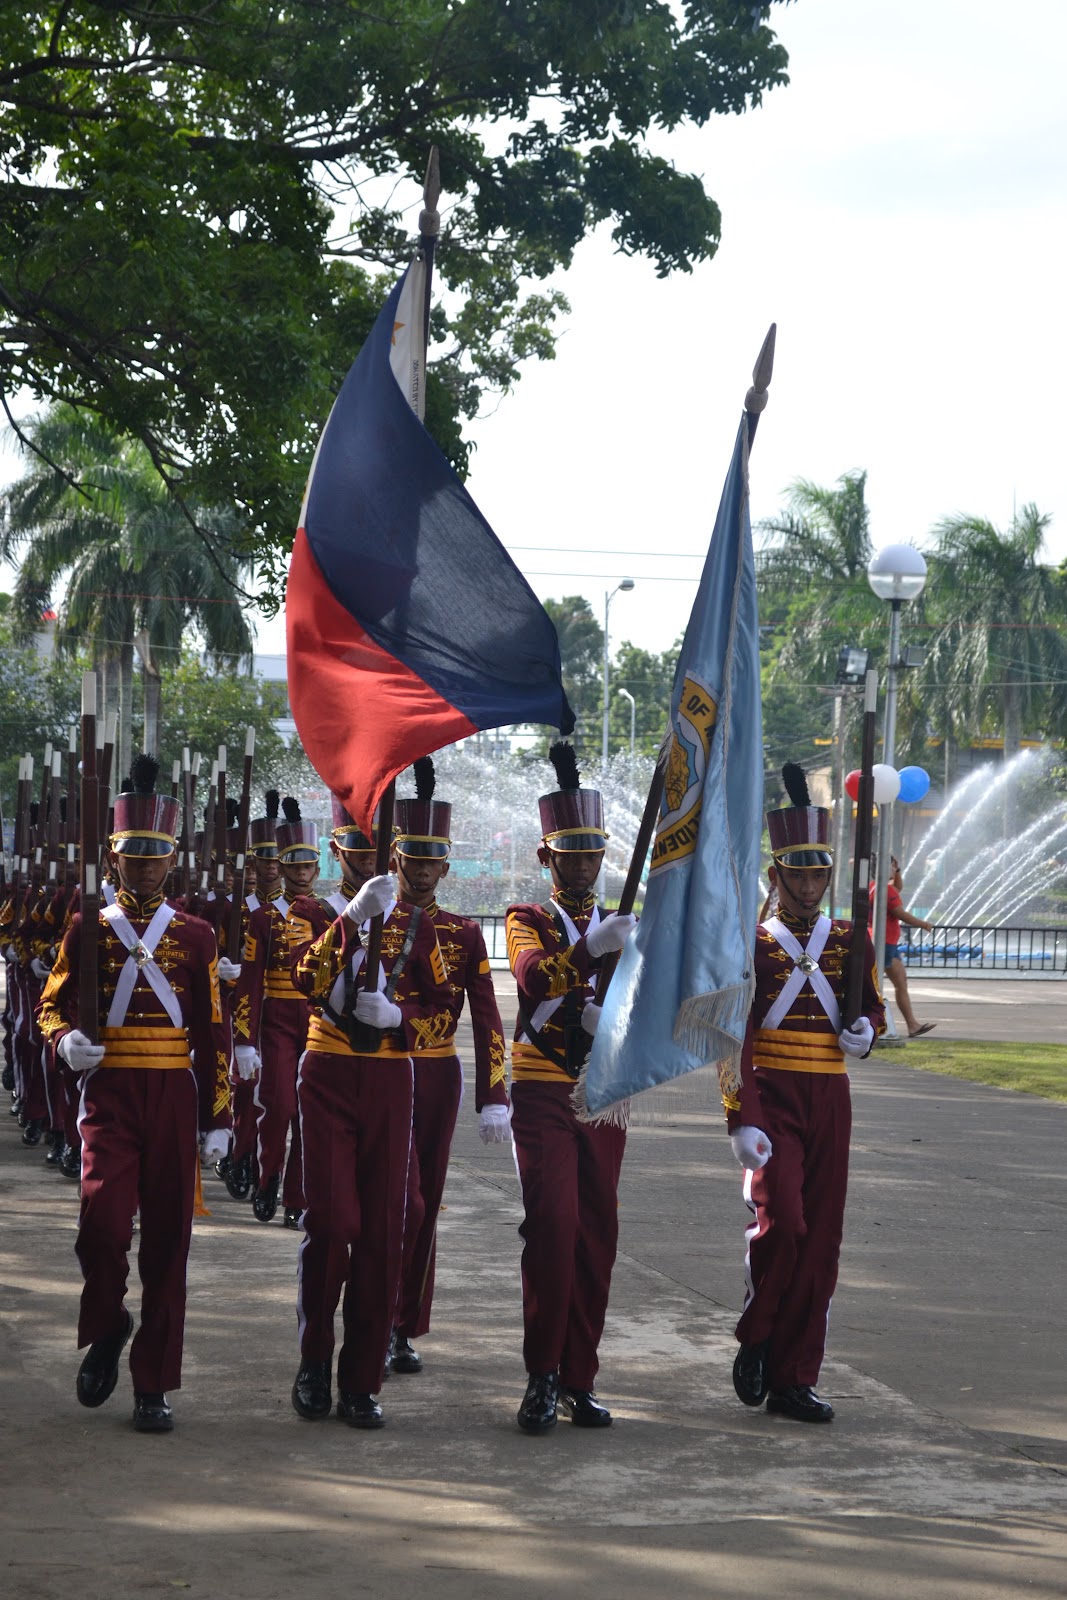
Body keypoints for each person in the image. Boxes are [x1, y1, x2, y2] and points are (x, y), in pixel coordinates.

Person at [37, 755, 231, 1432]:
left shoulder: (198, 934)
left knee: (168, 1244)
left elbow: (213, 1031)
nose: (143, 868)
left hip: (173, 1095)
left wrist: (219, 1117)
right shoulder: (87, 926)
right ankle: (109, 1322)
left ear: (171, 860)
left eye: (154, 859)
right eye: (131, 857)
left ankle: (153, 1382)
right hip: (111, 1092)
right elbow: (49, 1005)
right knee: (101, 1226)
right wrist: (64, 1041)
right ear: (113, 858)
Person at [727, 763, 885, 1424]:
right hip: (773, 1097)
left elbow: (871, 1012)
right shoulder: (753, 945)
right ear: (776, 876)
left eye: (819, 873)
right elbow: (732, 1037)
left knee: (821, 1243)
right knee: (783, 1227)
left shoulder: (850, 940)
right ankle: (758, 1331)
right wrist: (738, 1114)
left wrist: (865, 1032)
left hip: (830, 1099)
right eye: (797, 873)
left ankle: (794, 1377)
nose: (810, 884)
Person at [286, 796, 449, 1429]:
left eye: (377, 847)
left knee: (387, 1227)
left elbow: (442, 1005)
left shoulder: (419, 922)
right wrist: (353, 918)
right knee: (331, 1222)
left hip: (389, 1076)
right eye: (356, 847)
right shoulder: (310, 912)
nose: (367, 858)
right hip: (326, 1072)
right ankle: (312, 1359)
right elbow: (304, 976)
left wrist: (401, 1019)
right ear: (339, 851)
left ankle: (361, 1378)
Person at [505, 742, 636, 1435]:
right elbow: (531, 980)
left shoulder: (625, 924)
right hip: (540, 1087)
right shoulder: (525, 916)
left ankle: (578, 1377)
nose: (583, 866)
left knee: (596, 1234)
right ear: (546, 857)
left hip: (605, 1091)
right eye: (570, 854)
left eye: (592, 855)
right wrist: (592, 951)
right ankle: (540, 1373)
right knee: (551, 1227)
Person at [389, 758, 511, 1375]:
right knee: (395, 1200)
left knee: (425, 1203)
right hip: (379, 1073)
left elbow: (488, 1017)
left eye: (432, 862)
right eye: (412, 860)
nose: (422, 871)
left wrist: (496, 1094)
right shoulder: (369, 924)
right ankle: (375, 1313)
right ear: (396, 861)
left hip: (436, 1076)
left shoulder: (463, 934)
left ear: (446, 866)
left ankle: (403, 1324)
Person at [232, 796, 322, 1225]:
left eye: (308, 868)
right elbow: (249, 980)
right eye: (294, 867)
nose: (301, 875)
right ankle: (268, 1176)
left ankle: (298, 1196)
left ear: (317, 870)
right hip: (277, 1021)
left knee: (310, 1111)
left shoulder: (329, 915)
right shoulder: (263, 918)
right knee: (279, 1105)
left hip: (317, 1020)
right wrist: (244, 1040)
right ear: (281, 869)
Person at [872, 854, 936, 1038]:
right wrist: (924, 924)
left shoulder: (875, 887)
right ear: (884, 869)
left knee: (901, 983)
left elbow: (897, 887)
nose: (894, 870)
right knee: (873, 985)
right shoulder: (886, 891)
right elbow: (900, 913)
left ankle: (912, 1025)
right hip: (884, 943)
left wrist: (898, 871)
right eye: (892, 867)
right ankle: (873, 1025)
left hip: (888, 944)